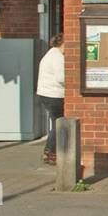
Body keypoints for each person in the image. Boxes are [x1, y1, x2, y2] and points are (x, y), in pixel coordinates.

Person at [36, 33, 66, 165]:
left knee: (56, 124)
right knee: (58, 124)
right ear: (62, 43)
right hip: (54, 95)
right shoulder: (57, 57)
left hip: (47, 94)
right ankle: (51, 153)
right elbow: (61, 78)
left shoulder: (51, 54)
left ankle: (49, 153)